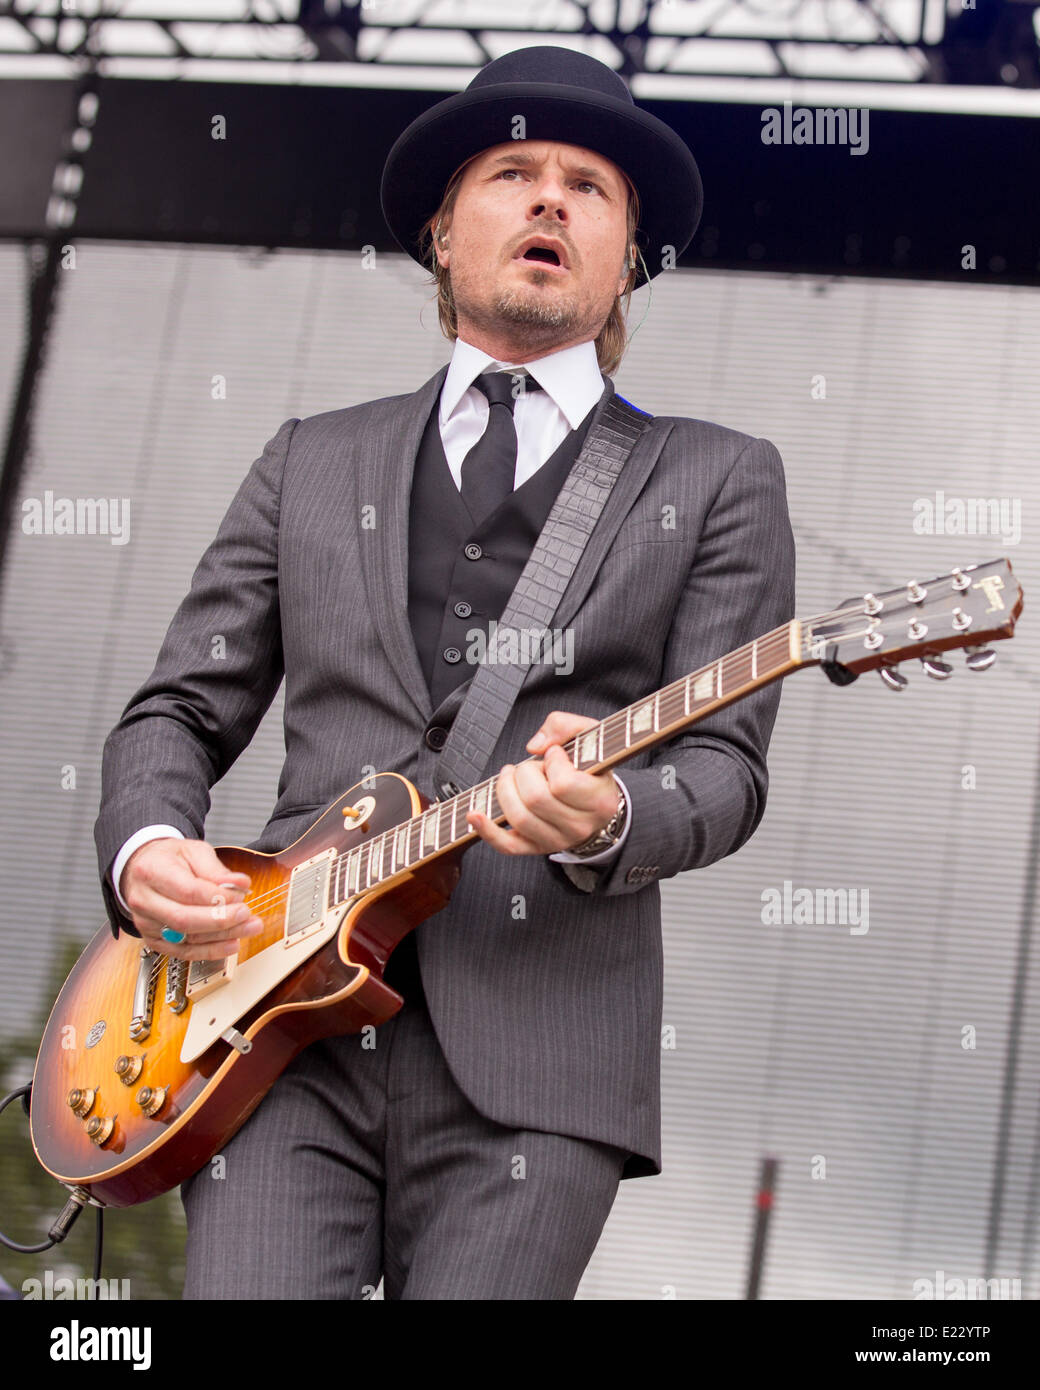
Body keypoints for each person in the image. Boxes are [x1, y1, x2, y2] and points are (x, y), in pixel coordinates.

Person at [94, 45, 796, 1299]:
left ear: (625, 254)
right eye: (513, 171)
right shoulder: (309, 459)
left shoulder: (718, 478)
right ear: (440, 230)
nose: (549, 199)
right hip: (267, 1038)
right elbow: (179, 708)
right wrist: (147, 840)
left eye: (589, 185)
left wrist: (615, 812)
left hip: (540, 1073)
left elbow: (724, 774)